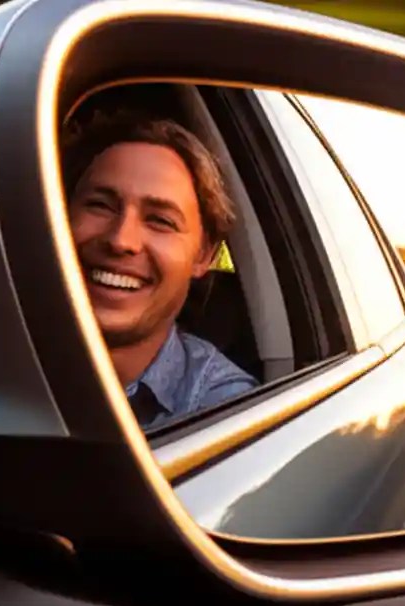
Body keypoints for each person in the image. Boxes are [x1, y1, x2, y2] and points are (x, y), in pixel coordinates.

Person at [62, 109, 259, 430]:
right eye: (100, 204)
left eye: (160, 220)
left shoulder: (222, 408)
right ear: (58, 214)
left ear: (204, 255)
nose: (121, 240)